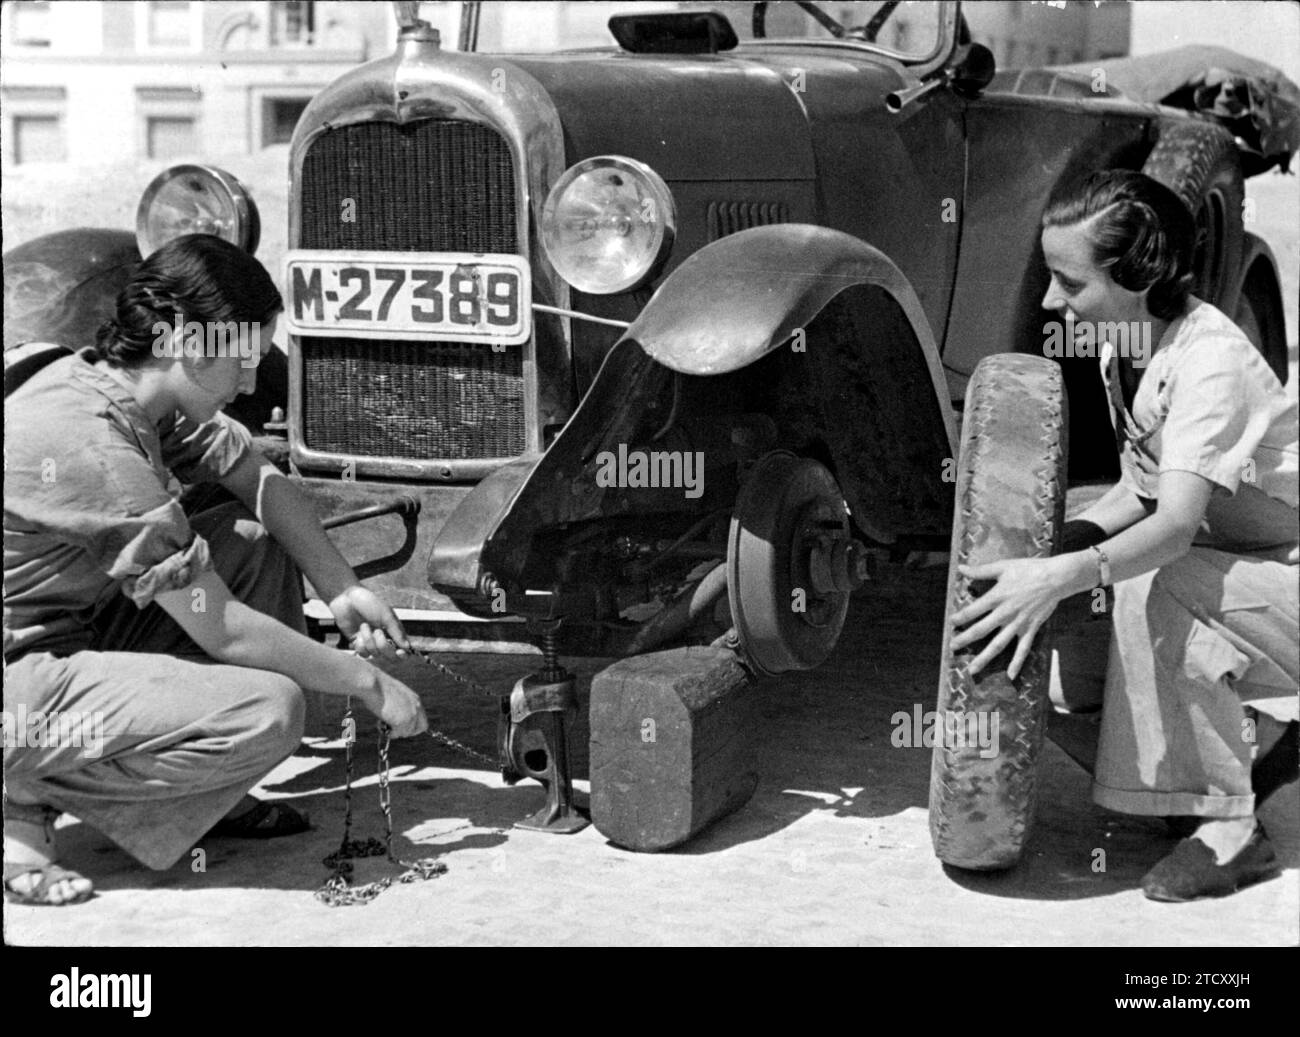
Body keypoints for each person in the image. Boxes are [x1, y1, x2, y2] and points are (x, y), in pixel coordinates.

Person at [4, 234, 430, 906]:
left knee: (251, 541)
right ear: (182, 339)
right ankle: (21, 793)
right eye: (242, 359)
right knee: (269, 709)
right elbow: (221, 629)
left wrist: (340, 587)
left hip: (61, 641)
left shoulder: (136, 391)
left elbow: (254, 473)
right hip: (19, 680)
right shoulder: (92, 442)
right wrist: (368, 682)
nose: (251, 381)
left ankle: (201, 795)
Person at [949, 170, 1298, 901]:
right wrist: (1051, 551)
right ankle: (1251, 753)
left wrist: (1063, 573)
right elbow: (1138, 491)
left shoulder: (1209, 360)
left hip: (1283, 570)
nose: (1049, 301)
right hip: (1245, 561)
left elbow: (1170, 527)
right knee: (1088, 587)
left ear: (1139, 274)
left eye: (1068, 283)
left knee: (1155, 579)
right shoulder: (1124, 345)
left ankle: (1236, 832)